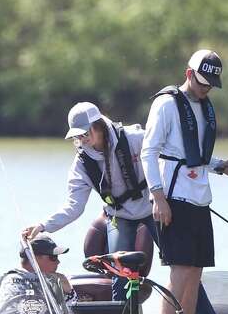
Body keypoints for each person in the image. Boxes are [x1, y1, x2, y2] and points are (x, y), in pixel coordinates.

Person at [141, 48, 228, 314]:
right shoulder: (166, 104)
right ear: (189, 74)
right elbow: (148, 152)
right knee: (179, 269)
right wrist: (157, 197)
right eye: (201, 83)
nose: (205, 89)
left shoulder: (205, 106)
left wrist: (219, 165)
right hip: (173, 196)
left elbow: (197, 154)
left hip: (200, 197)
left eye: (211, 85)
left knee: (196, 270)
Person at [21, 101, 151, 301]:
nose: (82, 139)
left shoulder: (135, 138)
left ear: (98, 126)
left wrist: (210, 164)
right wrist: (42, 226)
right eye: (77, 135)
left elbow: (173, 153)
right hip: (120, 216)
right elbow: (74, 206)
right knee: (119, 273)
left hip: (155, 209)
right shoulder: (81, 165)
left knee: (182, 264)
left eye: (85, 133)